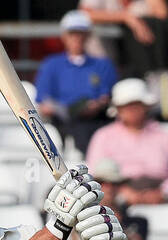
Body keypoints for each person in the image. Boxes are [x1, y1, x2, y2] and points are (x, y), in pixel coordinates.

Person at [86, 78, 168, 206]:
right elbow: (96, 175)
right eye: (127, 106)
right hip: (117, 192)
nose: (132, 110)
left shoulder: (163, 136)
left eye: (137, 105)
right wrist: (121, 191)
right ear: (118, 109)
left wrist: (162, 192)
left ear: (146, 106)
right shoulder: (103, 136)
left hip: (161, 192)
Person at [36, 10, 119, 153]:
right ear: (64, 36)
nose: (77, 38)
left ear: (88, 35)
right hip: (61, 124)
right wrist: (63, 110)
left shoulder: (103, 65)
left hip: (95, 122)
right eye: (72, 33)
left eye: (81, 33)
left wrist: (94, 106)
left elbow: (107, 97)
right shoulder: (51, 64)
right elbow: (43, 102)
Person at [79, 0, 168, 79]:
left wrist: (133, 19)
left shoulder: (138, 4)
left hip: (136, 69)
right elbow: (84, 14)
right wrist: (126, 17)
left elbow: (162, 13)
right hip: (98, 66)